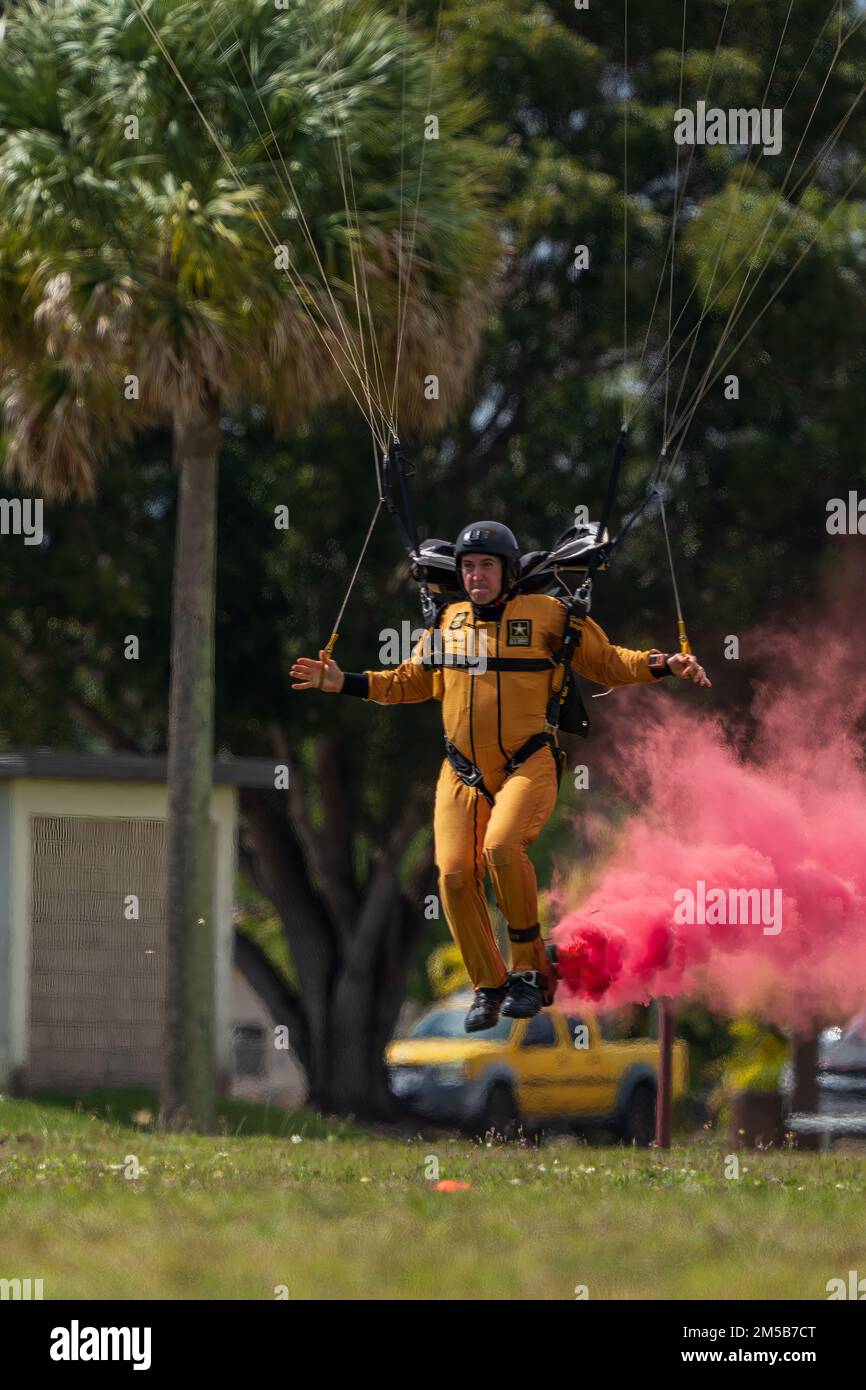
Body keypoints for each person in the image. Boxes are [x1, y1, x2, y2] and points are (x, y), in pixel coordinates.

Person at [291, 521, 711, 1032]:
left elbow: (607, 663)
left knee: (502, 849)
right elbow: (407, 683)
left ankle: (529, 972)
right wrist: (343, 682)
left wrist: (664, 664)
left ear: (508, 571)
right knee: (452, 875)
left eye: (487, 565)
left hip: (527, 763)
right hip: (461, 773)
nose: (476, 576)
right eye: (468, 566)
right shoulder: (449, 621)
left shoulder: (549, 616)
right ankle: (488, 985)